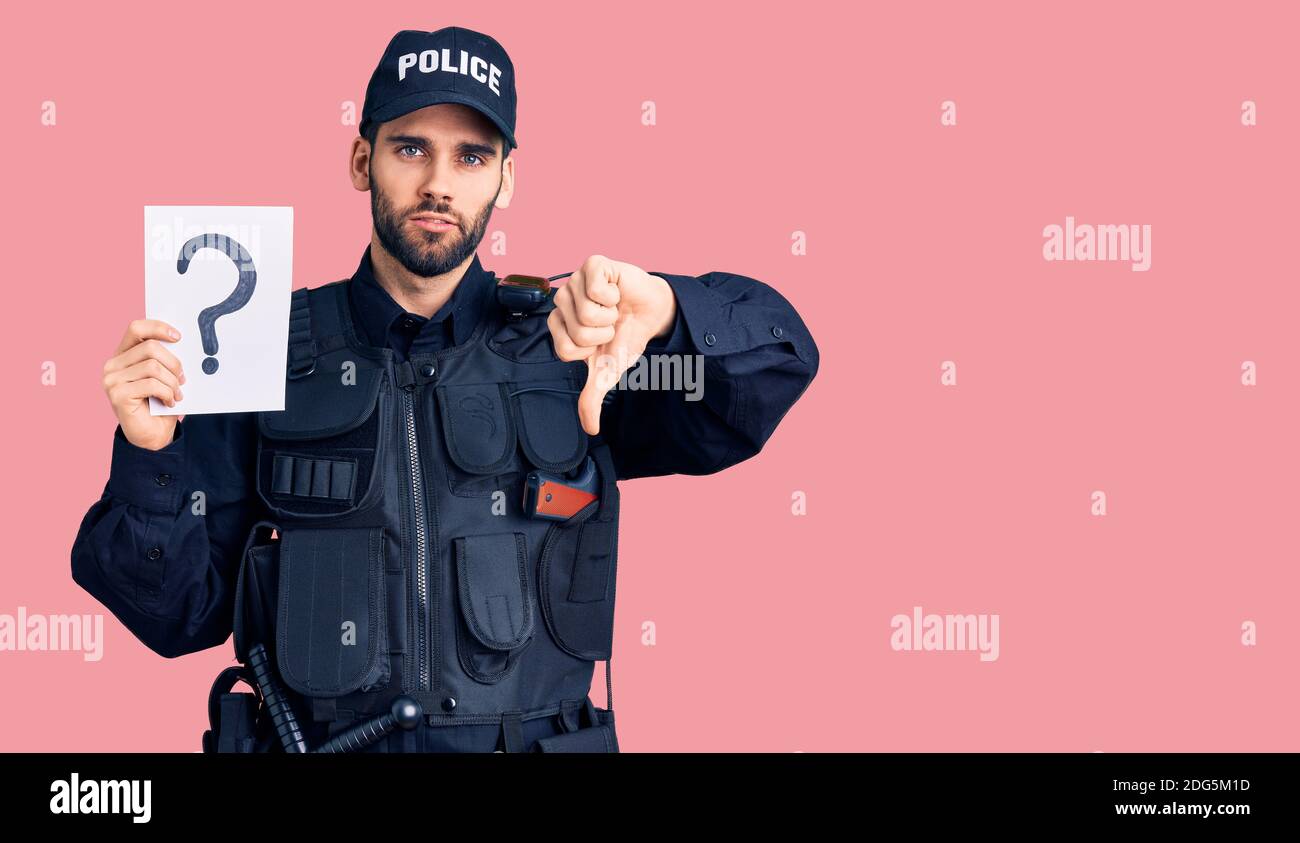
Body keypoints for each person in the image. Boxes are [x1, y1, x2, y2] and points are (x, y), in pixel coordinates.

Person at [71, 26, 819, 753]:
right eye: (410, 149)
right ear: (362, 160)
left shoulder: (576, 343)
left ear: (507, 176)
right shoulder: (255, 342)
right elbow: (175, 616)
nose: (438, 184)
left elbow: (775, 368)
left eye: (471, 156)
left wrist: (668, 308)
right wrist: (149, 454)